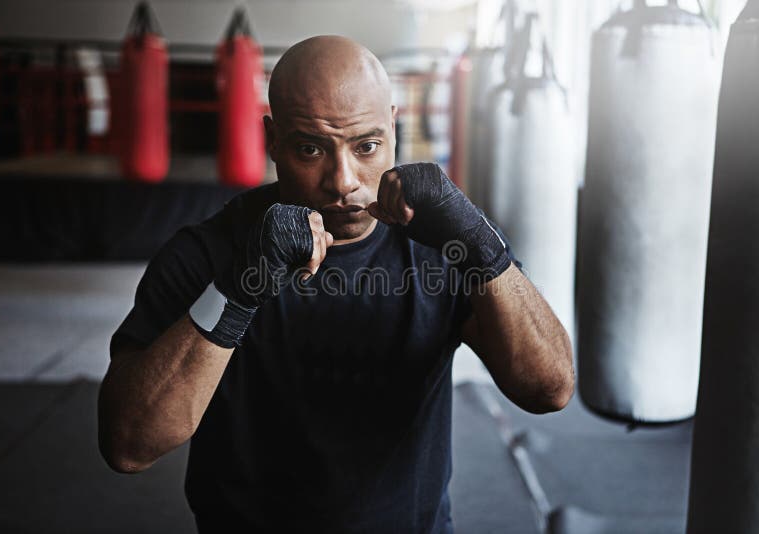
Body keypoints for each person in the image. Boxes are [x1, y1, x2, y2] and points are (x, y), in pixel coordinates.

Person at [98, 35, 574, 533]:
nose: (343, 179)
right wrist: (240, 287)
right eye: (310, 148)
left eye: (367, 146)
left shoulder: (444, 249)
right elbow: (129, 445)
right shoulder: (205, 256)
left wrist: (480, 241)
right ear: (273, 140)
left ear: (393, 126)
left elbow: (550, 389)